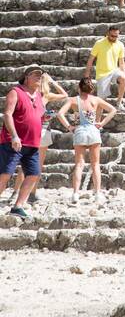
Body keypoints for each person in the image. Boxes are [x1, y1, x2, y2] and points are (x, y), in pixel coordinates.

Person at [56, 77, 117, 206]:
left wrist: (69, 126)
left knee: (79, 164)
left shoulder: (73, 100)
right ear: (91, 88)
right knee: (95, 164)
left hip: (79, 131)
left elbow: (60, 114)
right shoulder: (96, 100)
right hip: (93, 131)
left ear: (79, 88)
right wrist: (102, 123)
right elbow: (113, 110)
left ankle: (75, 193)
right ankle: (97, 193)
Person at [10, 71, 67, 209]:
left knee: (25, 164)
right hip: (41, 131)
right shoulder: (44, 95)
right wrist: (52, 81)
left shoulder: (30, 94)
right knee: (35, 163)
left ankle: (17, 192)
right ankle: (31, 193)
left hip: (32, 131)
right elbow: (64, 94)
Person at [0, 67, 46, 218]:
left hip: (32, 143)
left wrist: (45, 118)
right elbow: (7, 114)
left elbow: (37, 116)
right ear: (27, 77)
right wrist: (14, 136)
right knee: (5, 174)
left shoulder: (38, 95)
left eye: (41, 75)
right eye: (36, 75)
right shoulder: (16, 91)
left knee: (33, 174)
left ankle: (17, 206)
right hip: (14, 142)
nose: (40, 77)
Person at [86, 25, 125, 111]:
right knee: (101, 101)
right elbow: (91, 59)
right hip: (102, 74)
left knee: (123, 78)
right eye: (112, 36)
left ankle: (119, 103)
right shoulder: (99, 43)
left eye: (116, 36)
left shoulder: (120, 45)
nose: (114, 38)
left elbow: (121, 62)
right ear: (107, 34)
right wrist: (87, 75)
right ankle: (98, 122)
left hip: (114, 71)